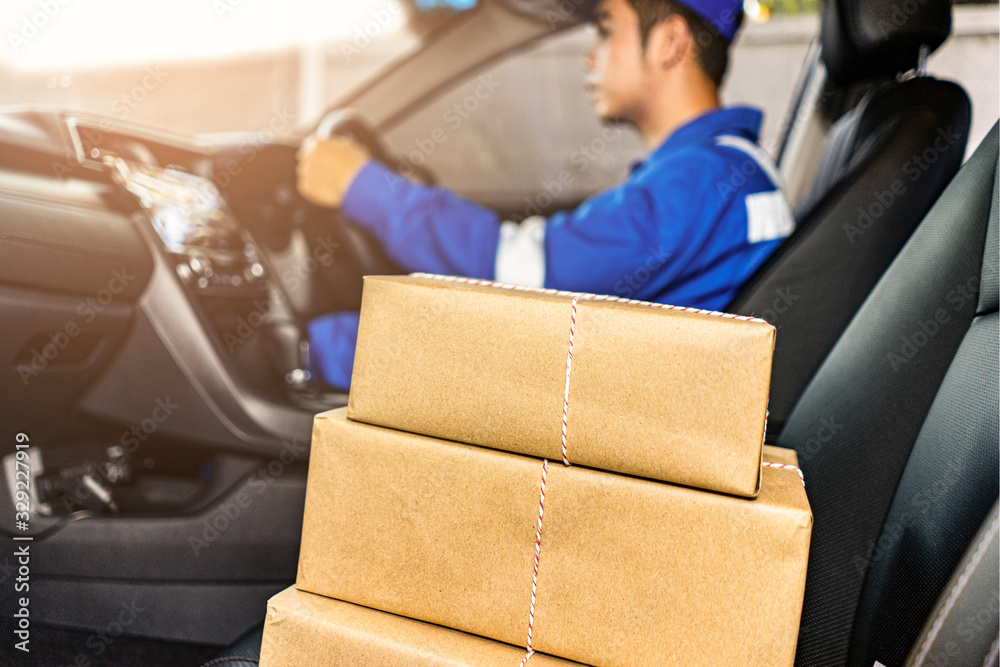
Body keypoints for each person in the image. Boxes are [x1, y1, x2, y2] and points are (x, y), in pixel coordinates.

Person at [297, 0, 794, 390]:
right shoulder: (731, 170)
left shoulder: (698, 180)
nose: (590, 54)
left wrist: (362, 187)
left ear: (669, 42)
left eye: (605, 28)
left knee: (373, 346)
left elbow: (525, 274)